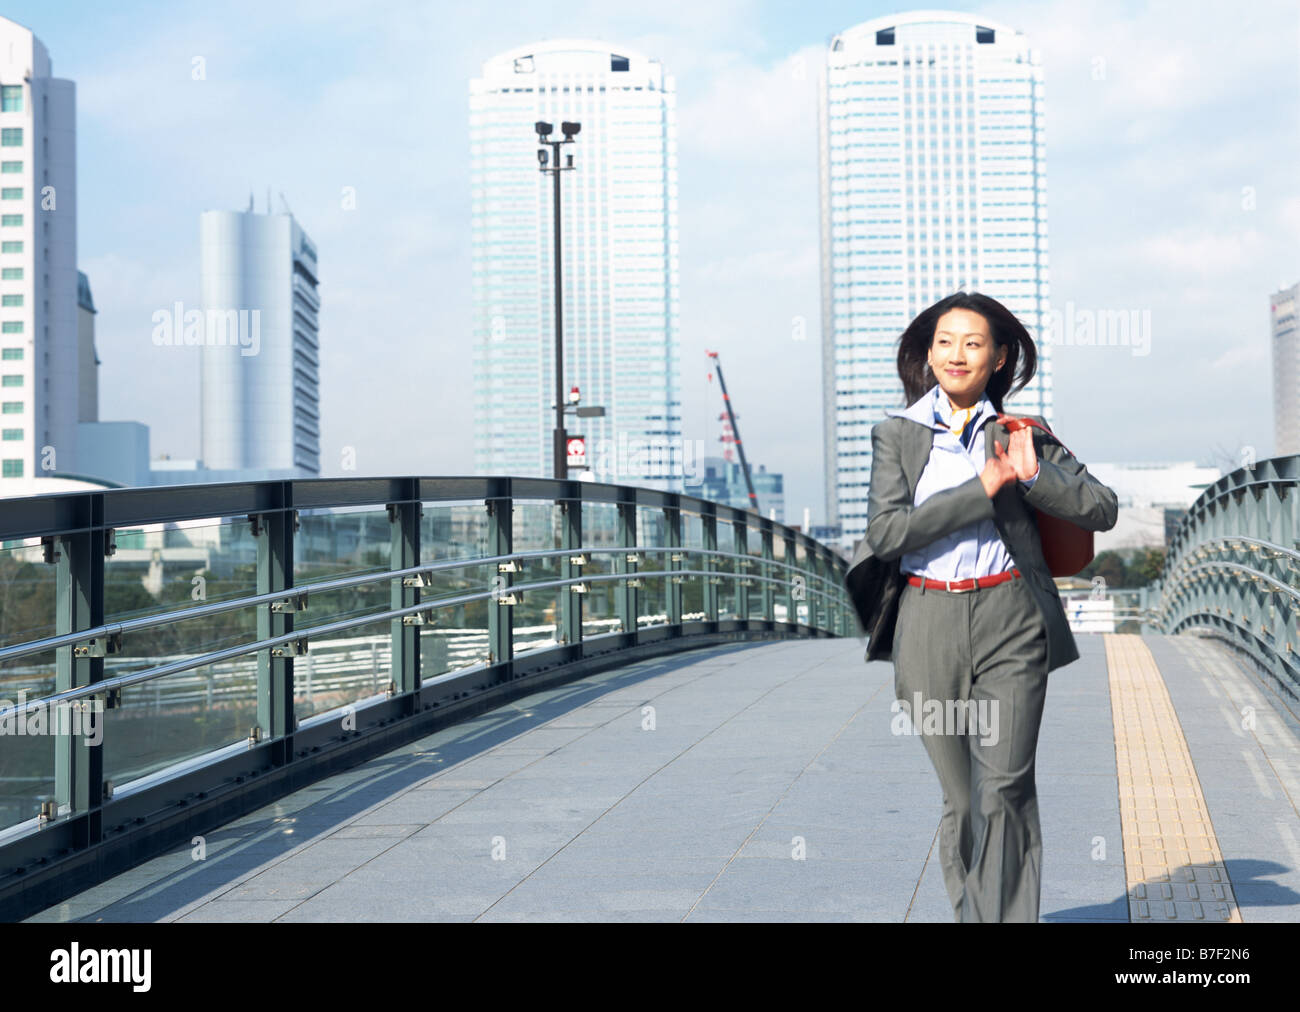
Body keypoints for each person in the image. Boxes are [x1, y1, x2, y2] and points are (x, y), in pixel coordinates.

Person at [863, 291, 1118, 922]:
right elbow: (887, 536)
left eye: (973, 343)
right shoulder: (897, 436)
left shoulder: (1018, 434)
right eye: (945, 341)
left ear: (998, 357)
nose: (957, 354)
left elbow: (1103, 508)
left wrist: (1033, 477)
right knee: (965, 798)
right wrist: (982, 488)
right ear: (928, 353)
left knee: (1003, 787)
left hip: (1011, 617)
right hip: (927, 623)